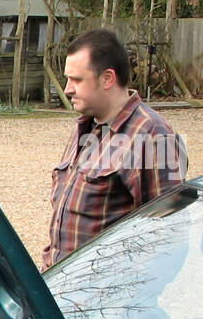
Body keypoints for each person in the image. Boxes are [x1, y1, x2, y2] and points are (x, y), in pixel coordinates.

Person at [42, 29, 187, 268]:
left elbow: (167, 236)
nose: (67, 89)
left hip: (102, 298)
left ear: (107, 78)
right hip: (61, 289)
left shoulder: (152, 135)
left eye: (76, 80)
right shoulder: (85, 127)